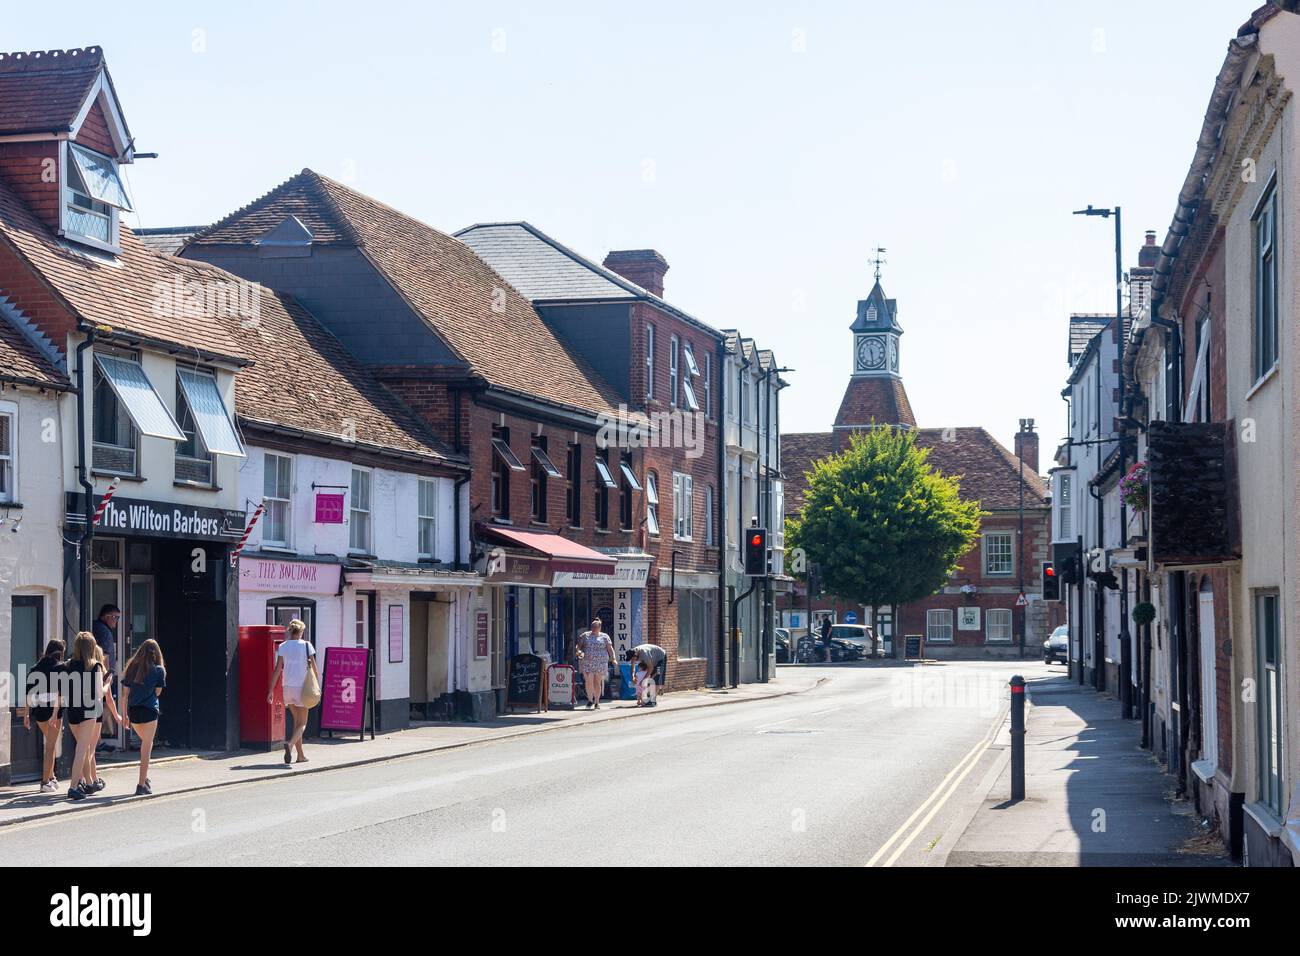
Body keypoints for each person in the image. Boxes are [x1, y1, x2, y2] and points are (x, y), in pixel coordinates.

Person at [63, 632, 122, 800]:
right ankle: (73, 787)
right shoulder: (95, 666)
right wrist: (107, 684)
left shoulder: (68, 665)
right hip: (88, 709)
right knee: (82, 749)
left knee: (85, 748)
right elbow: (99, 694)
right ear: (91, 647)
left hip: (72, 709)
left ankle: (89, 783)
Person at [267, 619, 318, 765]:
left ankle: (300, 756)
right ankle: (289, 745)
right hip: (302, 688)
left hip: (287, 688)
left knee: (296, 723)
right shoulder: (307, 645)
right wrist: (317, 685)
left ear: (291, 630)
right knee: (303, 724)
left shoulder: (283, 646)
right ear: (301, 631)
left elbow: (277, 670)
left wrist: (270, 690)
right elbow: (314, 668)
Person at [120, 639, 166, 796]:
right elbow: (158, 692)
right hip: (150, 710)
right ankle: (141, 785)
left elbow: (124, 695)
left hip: (134, 712)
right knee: (146, 747)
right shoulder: (158, 670)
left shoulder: (131, 667)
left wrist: (125, 715)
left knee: (145, 744)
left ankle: (144, 779)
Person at [21, 639, 65, 792]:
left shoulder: (34, 668)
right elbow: (60, 693)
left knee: (50, 744)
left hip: (38, 709)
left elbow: (28, 693)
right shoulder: (60, 668)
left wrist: (26, 714)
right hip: (54, 709)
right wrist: (55, 713)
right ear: (60, 653)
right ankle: (45, 782)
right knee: (51, 745)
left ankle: (51, 777)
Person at [92, 604, 120, 744]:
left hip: (98, 674)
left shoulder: (98, 627)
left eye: (118, 618)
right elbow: (105, 655)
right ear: (105, 616)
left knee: (103, 705)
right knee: (105, 705)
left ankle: (99, 739)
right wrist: (106, 677)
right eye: (115, 617)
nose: (116, 621)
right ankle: (98, 740)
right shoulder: (104, 632)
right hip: (104, 675)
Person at [575, 618, 615, 709]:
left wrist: (613, 658)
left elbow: (610, 648)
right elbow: (579, 646)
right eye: (592, 626)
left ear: (599, 627)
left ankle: (596, 701)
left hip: (600, 663)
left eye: (595, 627)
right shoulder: (585, 635)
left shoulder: (605, 636)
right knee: (589, 680)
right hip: (587, 662)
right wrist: (579, 652)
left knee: (597, 681)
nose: (593, 628)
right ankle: (590, 699)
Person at [625, 643, 667, 707]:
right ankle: (649, 699)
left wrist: (643, 680)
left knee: (656, 678)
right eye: (631, 659)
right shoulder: (633, 653)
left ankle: (653, 701)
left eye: (633, 659)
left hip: (660, 658)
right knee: (649, 680)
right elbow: (632, 666)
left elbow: (651, 668)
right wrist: (633, 676)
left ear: (635, 655)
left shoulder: (644, 654)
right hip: (652, 660)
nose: (633, 660)